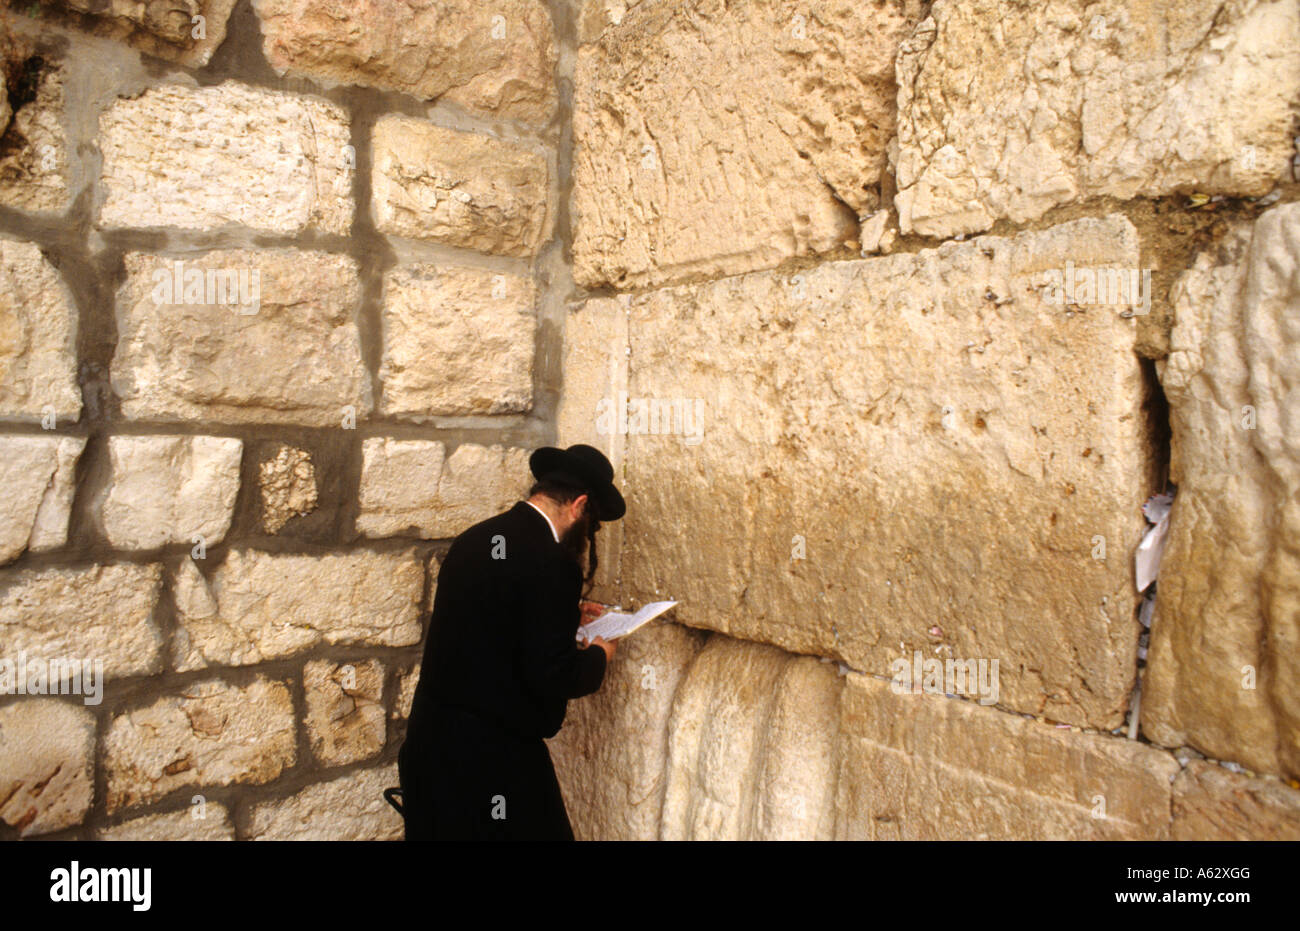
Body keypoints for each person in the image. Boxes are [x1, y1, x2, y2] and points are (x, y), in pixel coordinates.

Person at [394, 443, 625, 840]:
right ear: (580, 506)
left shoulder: (479, 537)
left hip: (431, 748)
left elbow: (494, 622)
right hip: (492, 762)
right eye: (593, 524)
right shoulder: (553, 563)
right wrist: (600, 655)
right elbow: (555, 676)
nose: (589, 535)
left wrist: (568, 615)